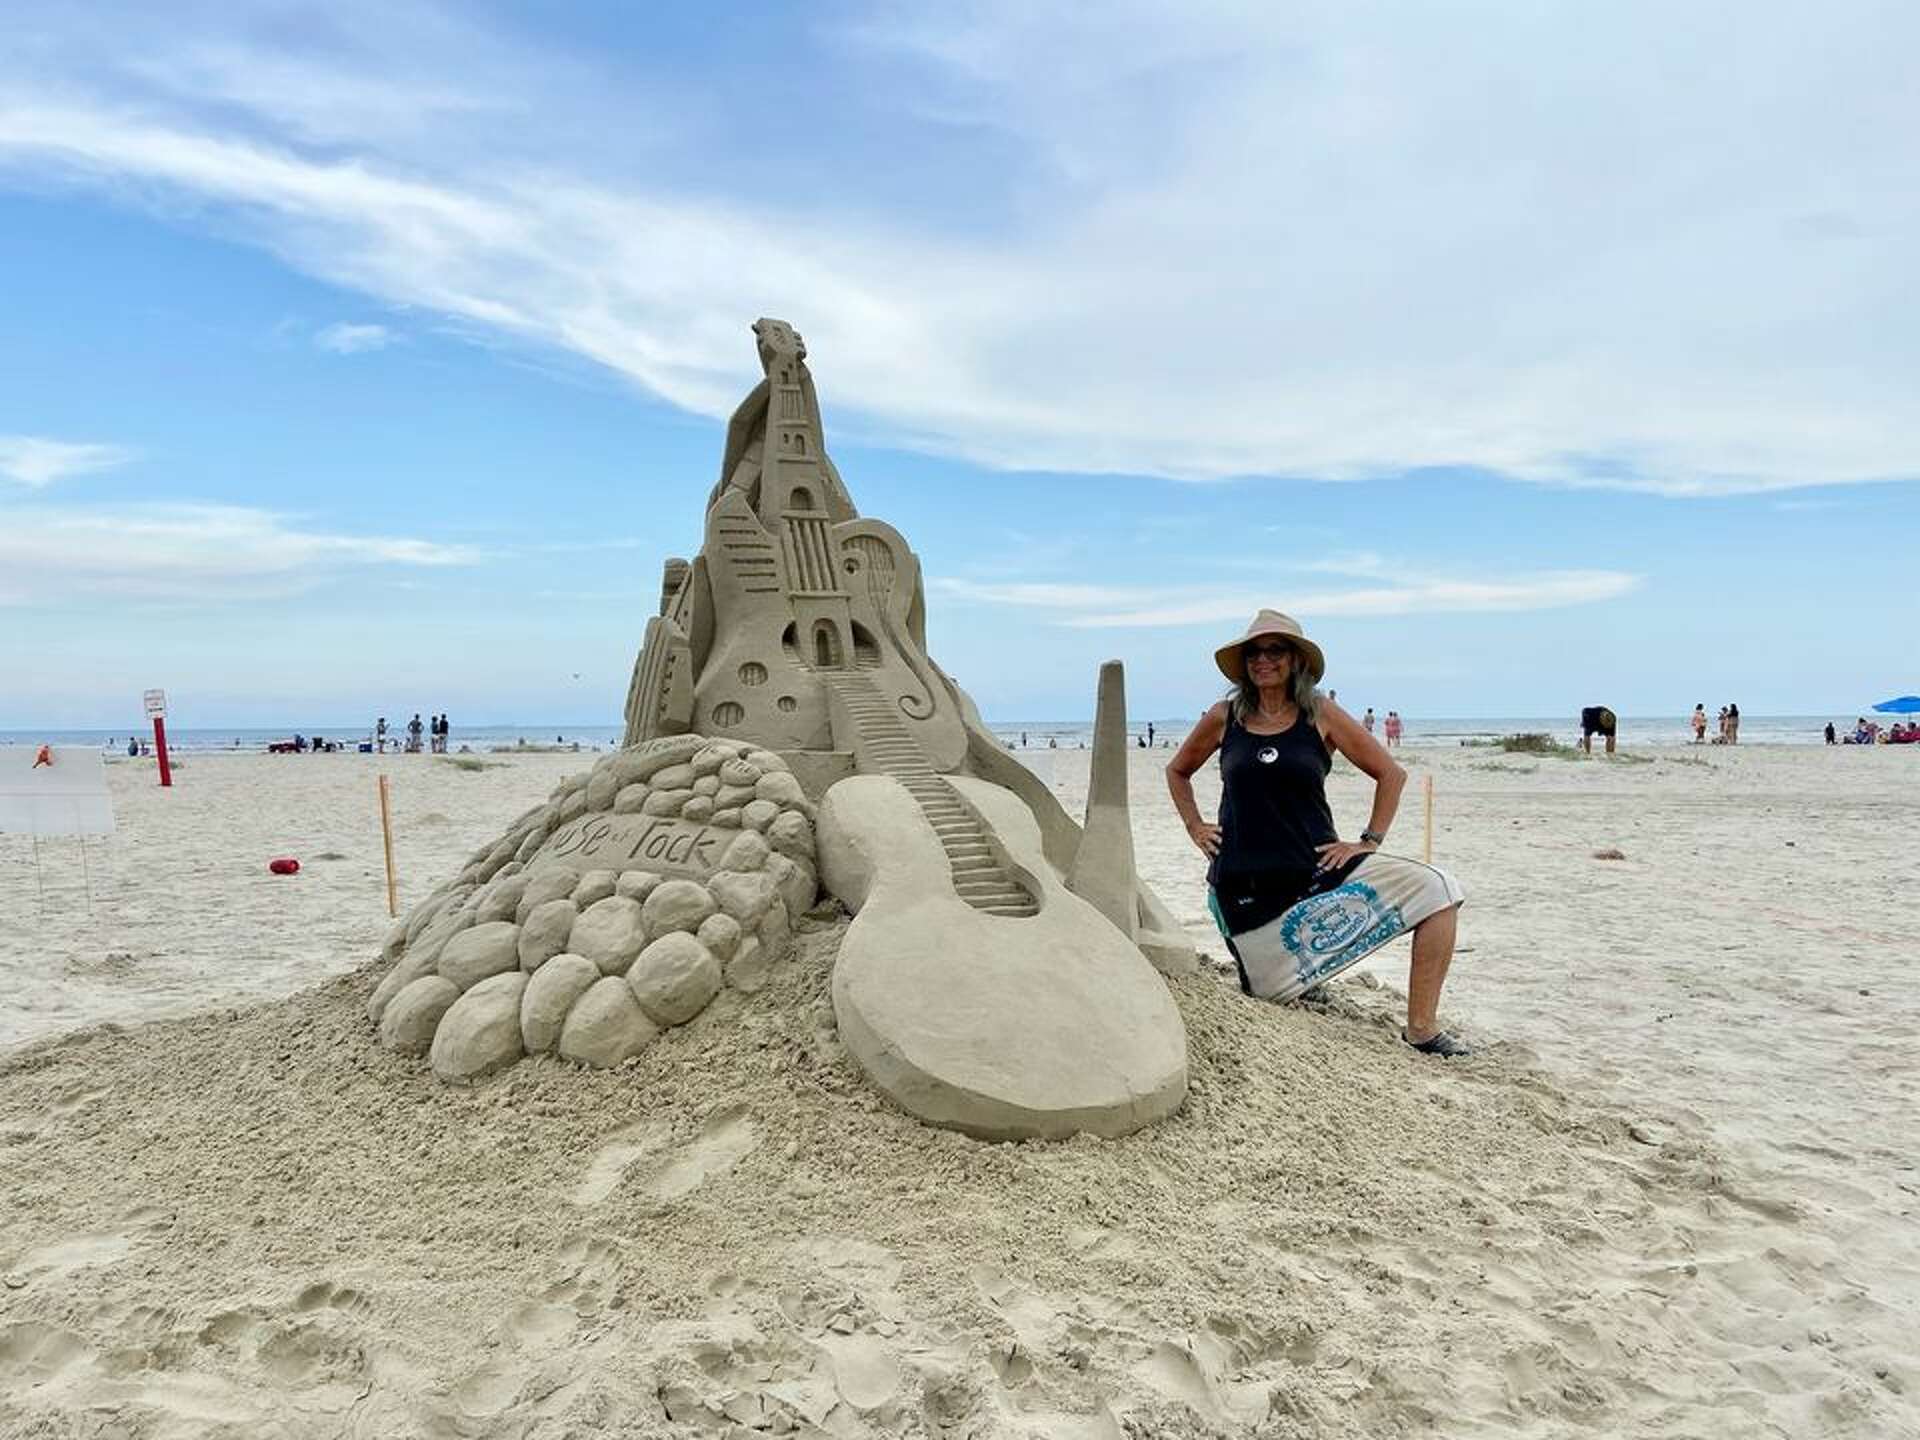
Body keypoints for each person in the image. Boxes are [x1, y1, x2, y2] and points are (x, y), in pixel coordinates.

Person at [1166, 610, 1469, 1056]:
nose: (1262, 660)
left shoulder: (1321, 715)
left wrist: (1367, 842)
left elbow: (1391, 774)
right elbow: (1177, 771)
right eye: (1254, 652)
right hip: (1245, 894)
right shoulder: (1223, 717)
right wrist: (1194, 825)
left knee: (1439, 889)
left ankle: (1421, 1029)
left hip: (1317, 878)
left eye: (1275, 650)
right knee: (1268, 994)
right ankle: (1302, 976)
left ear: (1296, 661)